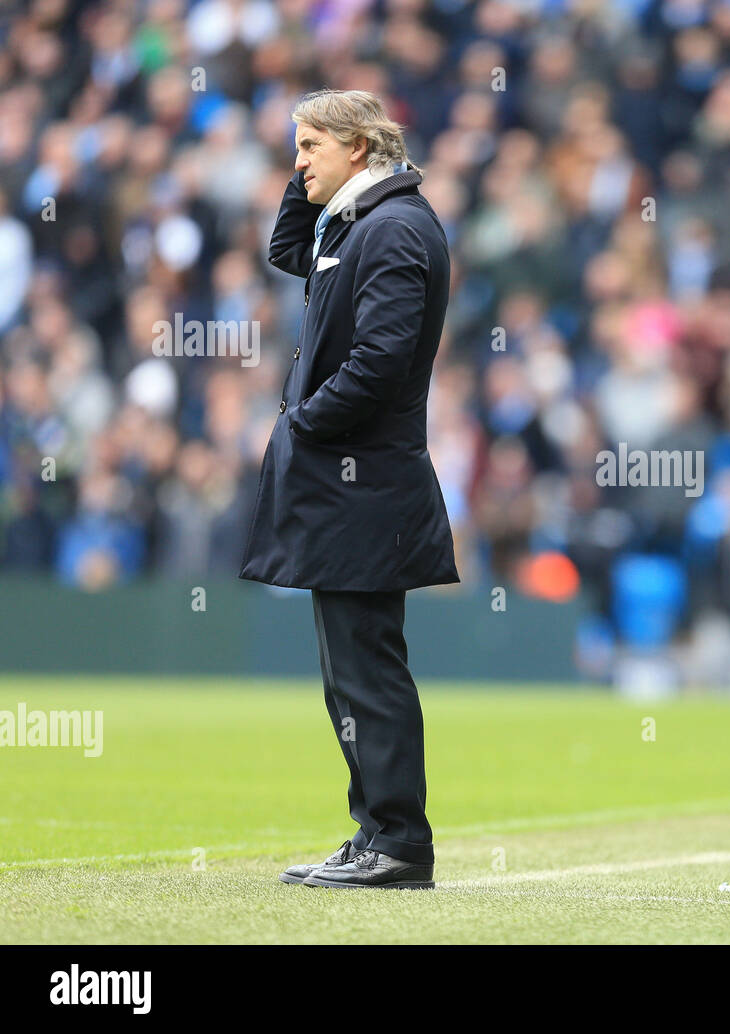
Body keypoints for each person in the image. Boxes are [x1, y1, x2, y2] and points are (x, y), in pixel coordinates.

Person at [239, 89, 459, 888]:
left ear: (358, 148)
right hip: (349, 487)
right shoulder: (359, 221)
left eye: (309, 147)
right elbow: (288, 255)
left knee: (368, 668)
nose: (297, 164)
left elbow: (383, 359)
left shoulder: (395, 227)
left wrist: (305, 421)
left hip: (367, 486)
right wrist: (302, 186)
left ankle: (398, 842)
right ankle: (377, 832)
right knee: (353, 671)